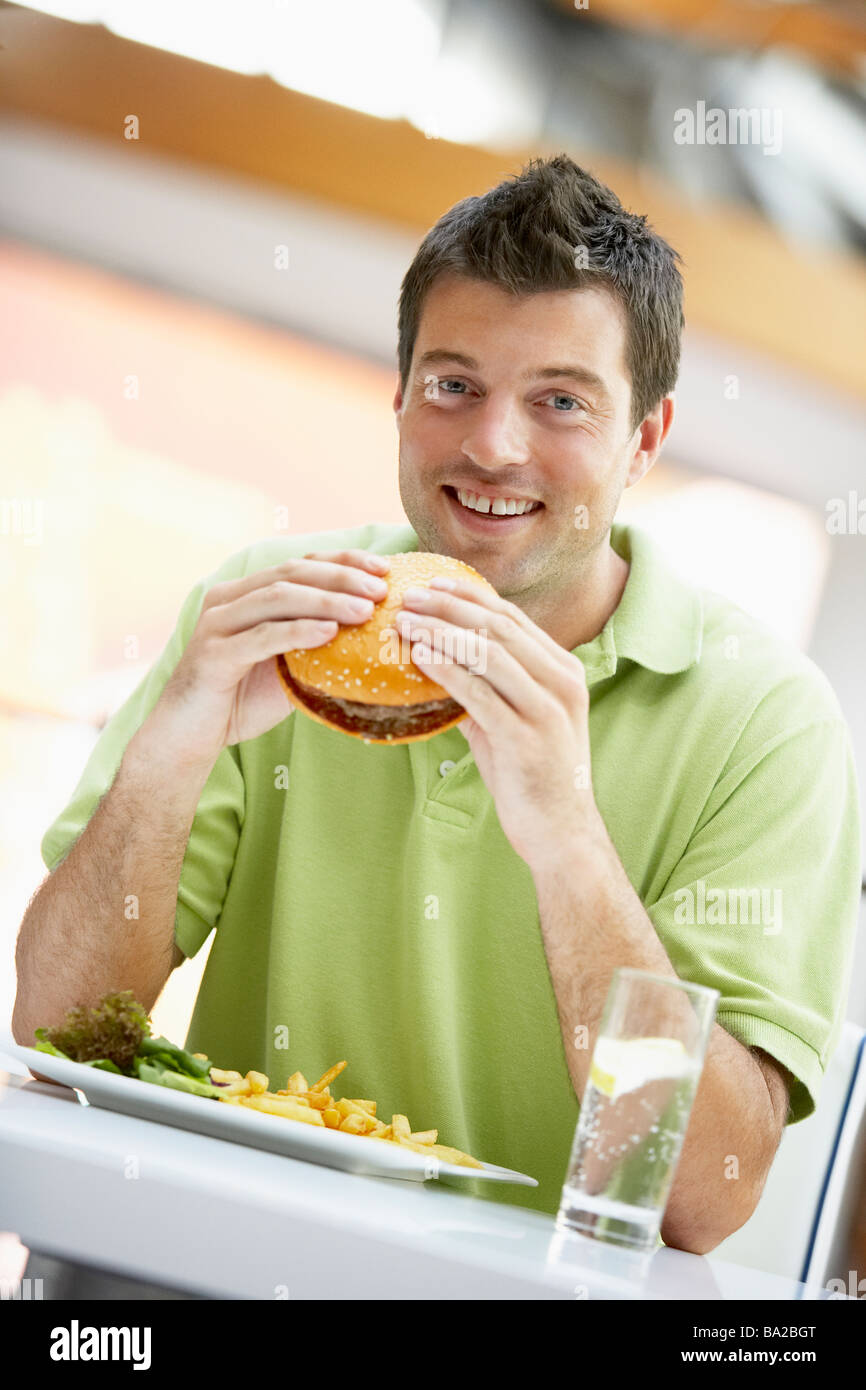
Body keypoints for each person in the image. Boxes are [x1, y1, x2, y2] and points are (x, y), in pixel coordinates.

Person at [13, 155, 861, 1251]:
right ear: (401, 396)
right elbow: (61, 1033)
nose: (492, 446)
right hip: (201, 1263)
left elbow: (702, 1195)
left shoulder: (768, 724)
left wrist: (563, 832)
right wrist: (174, 745)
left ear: (643, 439)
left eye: (559, 400)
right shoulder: (266, 618)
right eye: (454, 384)